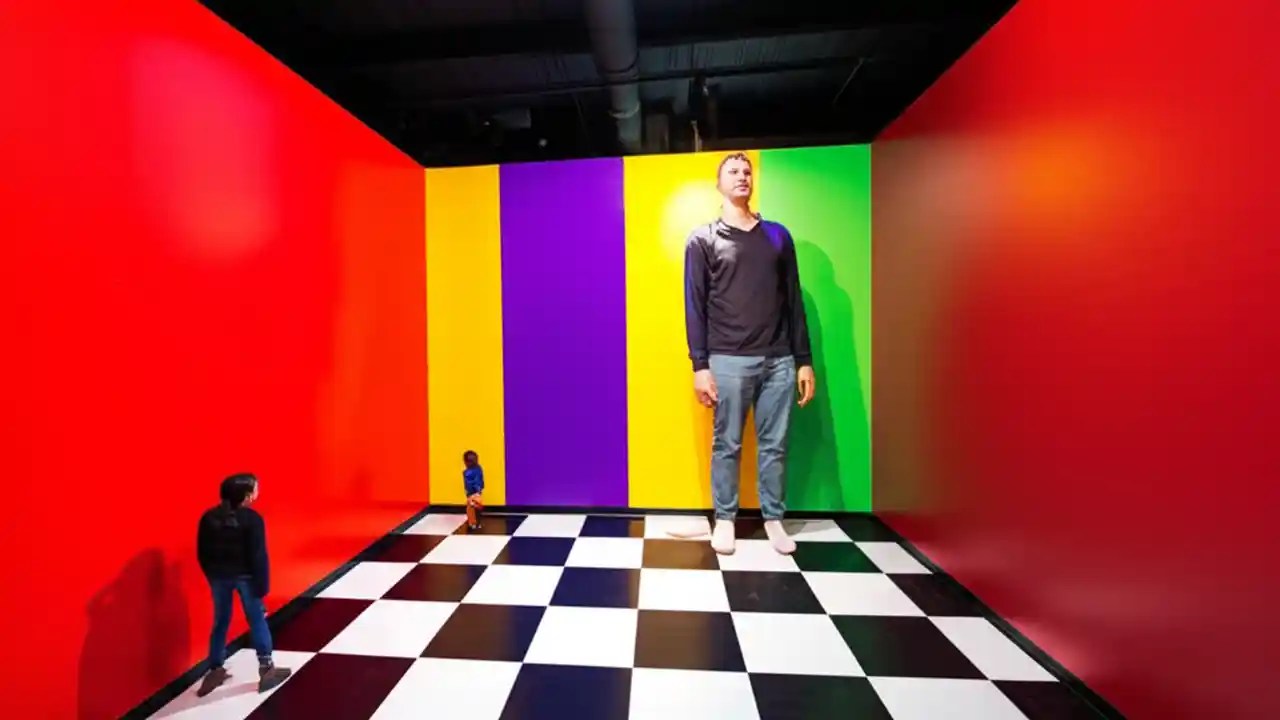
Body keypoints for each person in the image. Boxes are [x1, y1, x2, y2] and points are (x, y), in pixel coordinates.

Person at [684, 152, 817, 556]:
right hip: (726, 359)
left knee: (775, 443)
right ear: (719, 183)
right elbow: (694, 304)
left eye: (747, 171)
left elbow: (793, 300)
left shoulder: (778, 236)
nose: (742, 177)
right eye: (733, 172)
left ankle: (774, 519)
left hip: (778, 359)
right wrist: (700, 365)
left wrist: (803, 359)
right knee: (727, 444)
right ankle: (724, 519)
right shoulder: (703, 239)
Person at [195, 473, 292, 697]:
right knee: (257, 619)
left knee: (221, 620)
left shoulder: (209, 518)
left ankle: (215, 668)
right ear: (247, 496)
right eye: (256, 488)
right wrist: (262, 588)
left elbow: (202, 552)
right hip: (246, 577)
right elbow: (259, 557)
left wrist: (212, 575)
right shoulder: (252, 519)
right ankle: (266, 668)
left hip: (219, 577)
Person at [463, 450, 485, 530]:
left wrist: (469, 492)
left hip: (472, 493)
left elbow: (469, 484)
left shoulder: (467, 472)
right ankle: (477, 523)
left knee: (471, 509)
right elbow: (481, 480)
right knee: (478, 509)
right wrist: (480, 489)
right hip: (477, 492)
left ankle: (472, 523)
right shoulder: (479, 469)